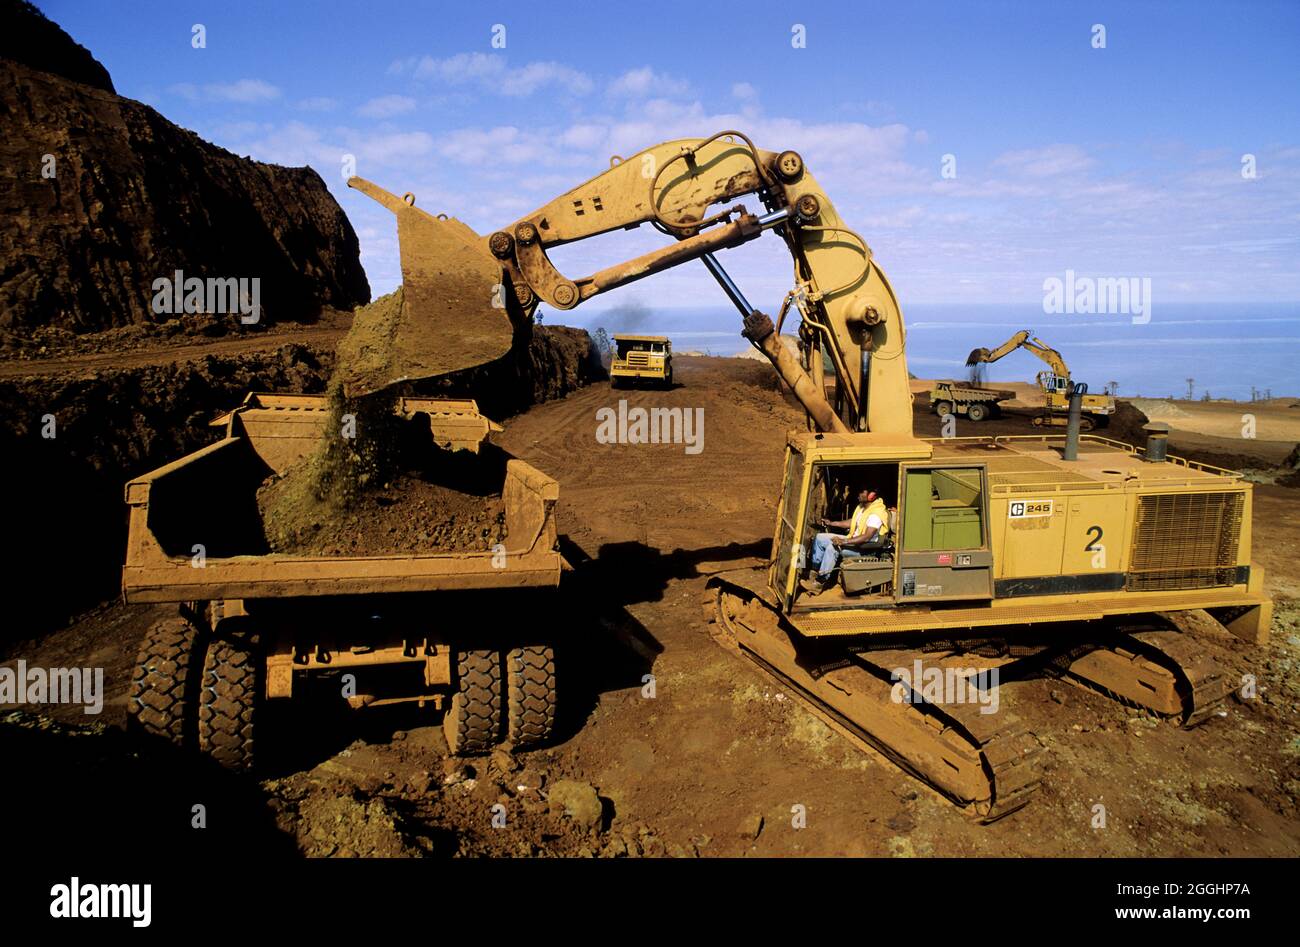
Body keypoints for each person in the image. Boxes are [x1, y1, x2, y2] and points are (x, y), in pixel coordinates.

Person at [803, 487, 890, 594]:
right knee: (820, 538)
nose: (858, 493)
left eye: (861, 491)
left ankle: (819, 583)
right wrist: (832, 523)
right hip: (853, 540)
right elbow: (853, 522)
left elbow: (867, 536)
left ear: (871, 496)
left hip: (863, 548)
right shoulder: (862, 508)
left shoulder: (876, 514)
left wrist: (843, 542)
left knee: (833, 548)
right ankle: (814, 572)